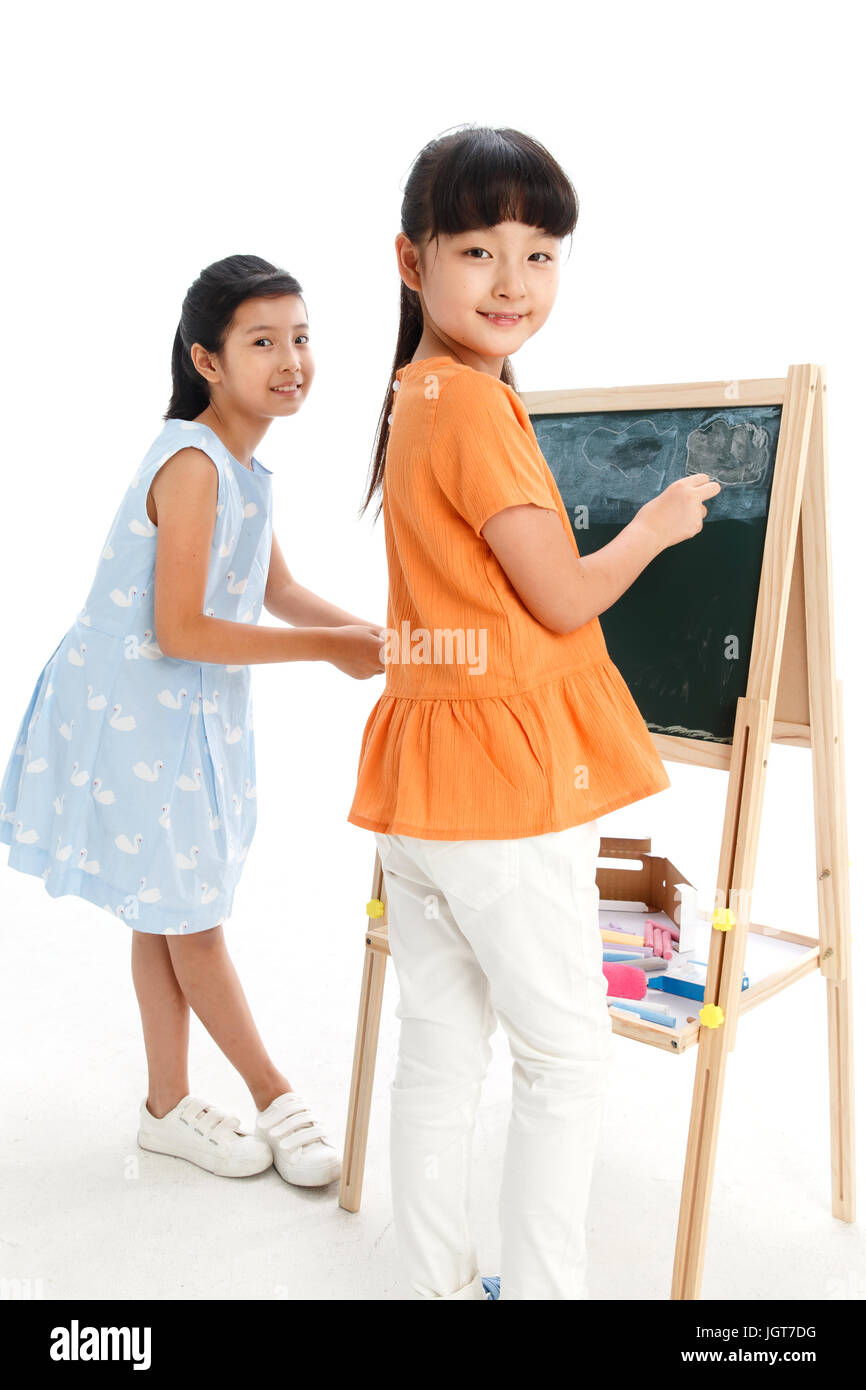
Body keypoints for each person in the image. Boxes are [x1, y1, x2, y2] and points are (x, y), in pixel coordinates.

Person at [348, 125, 721, 1300]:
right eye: (477, 250)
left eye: (540, 252)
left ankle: (431, 1284)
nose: (512, 281)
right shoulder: (468, 407)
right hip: (502, 794)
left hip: (424, 787)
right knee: (563, 1058)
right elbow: (560, 595)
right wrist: (654, 526)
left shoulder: (416, 396)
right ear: (412, 262)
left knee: (440, 1055)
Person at [0, 253, 385, 1189]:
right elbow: (179, 627)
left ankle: (166, 1106)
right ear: (207, 359)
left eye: (300, 337)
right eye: (263, 342)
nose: (291, 359)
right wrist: (327, 654)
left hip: (182, 715)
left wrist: (364, 631)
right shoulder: (192, 460)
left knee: (164, 908)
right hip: (133, 718)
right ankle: (276, 1095)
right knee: (193, 918)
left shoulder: (244, 463)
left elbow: (276, 587)